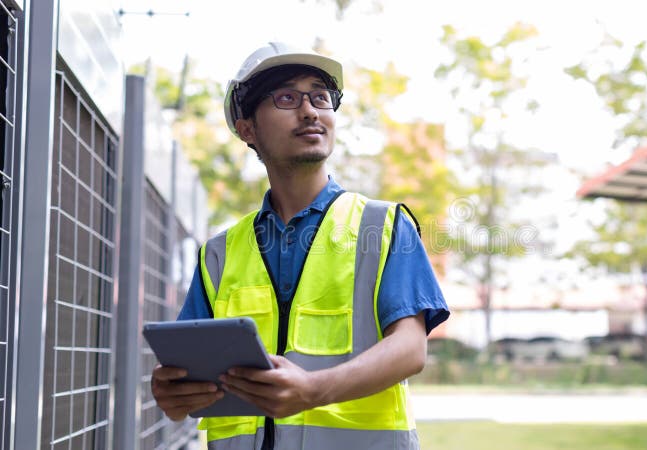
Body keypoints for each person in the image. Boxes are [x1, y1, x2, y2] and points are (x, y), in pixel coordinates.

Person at [150, 42, 450, 450]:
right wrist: (174, 396)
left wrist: (313, 389)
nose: (310, 110)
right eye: (287, 97)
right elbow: (189, 379)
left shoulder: (383, 225)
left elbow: (411, 348)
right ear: (248, 129)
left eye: (320, 97)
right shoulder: (218, 254)